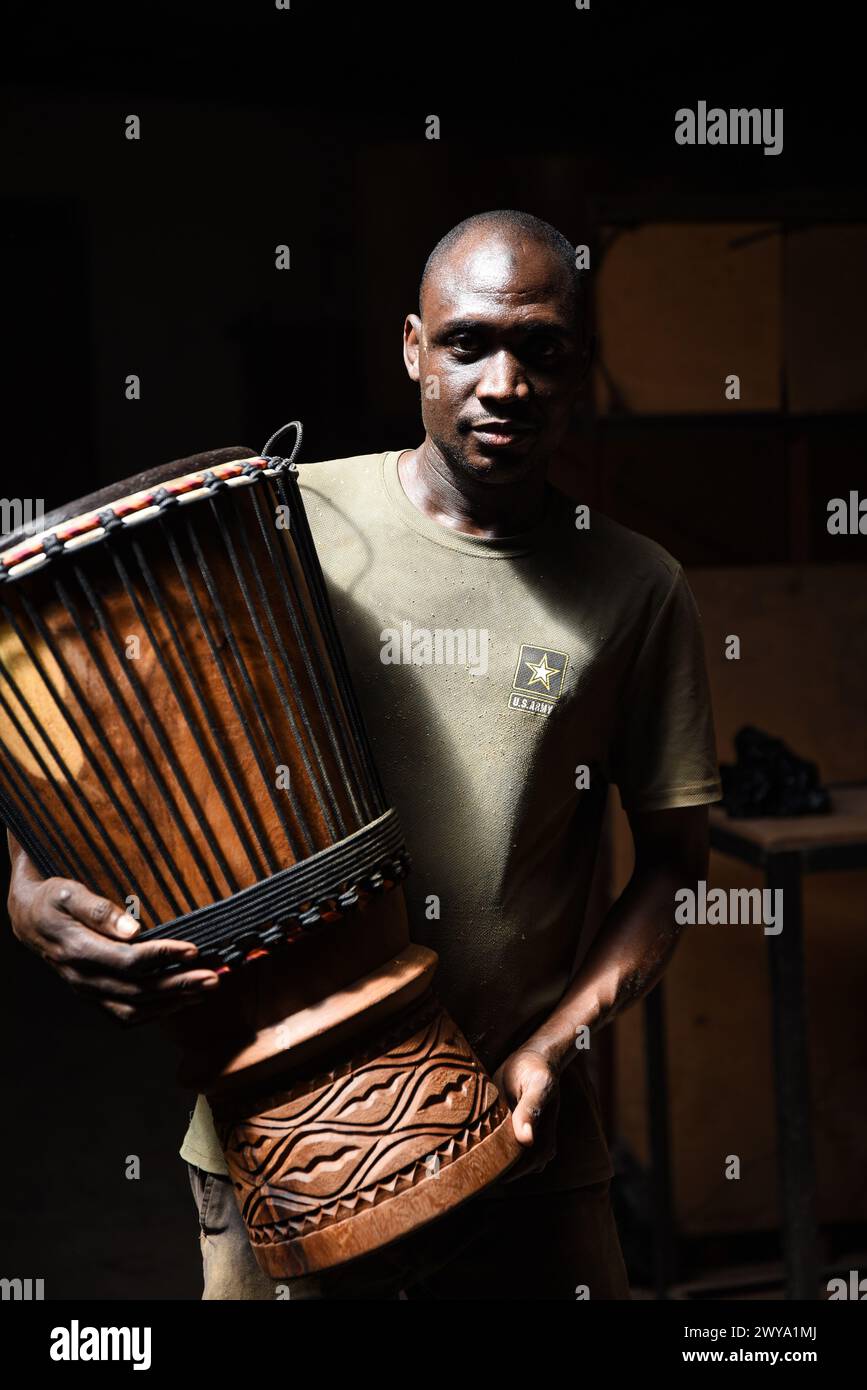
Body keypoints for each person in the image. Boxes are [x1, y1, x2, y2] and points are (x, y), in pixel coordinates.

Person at [6, 209, 722, 1300]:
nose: (504, 383)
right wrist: (27, 900)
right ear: (412, 349)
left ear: (582, 366)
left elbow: (674, 863)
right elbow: (81, 737)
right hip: (269, 1133)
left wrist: (555, 1046)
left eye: (543, 349)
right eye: (468, 342)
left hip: (521, 1137)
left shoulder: (637, 585)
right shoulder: (275, 519)